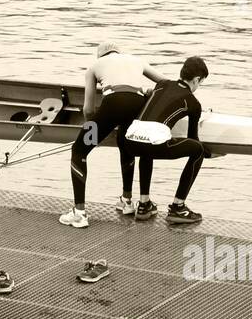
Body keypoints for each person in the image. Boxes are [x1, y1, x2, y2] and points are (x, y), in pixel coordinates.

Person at [59, 42, 167, 229]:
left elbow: (89, 109)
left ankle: (79, 214)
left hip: (114, 102)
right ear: (118, 52)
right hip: (137, 103)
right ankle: (126, 201)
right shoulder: (135, 59)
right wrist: (149, 94)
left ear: (100, 56)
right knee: (125, 144)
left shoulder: (94, 67)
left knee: (79, 151)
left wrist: (93, 133)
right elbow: (166, 83)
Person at [123, 56, 209, 225]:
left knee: (146, 149)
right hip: (153, 143)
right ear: (196, 79)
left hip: (130, 140)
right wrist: (208, 152)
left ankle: (144, 205)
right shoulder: (193, 103)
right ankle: (179, 207)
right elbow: (193, 139)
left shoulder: (162, 84)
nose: (198, 87)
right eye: (200, 83)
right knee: (197, 151)